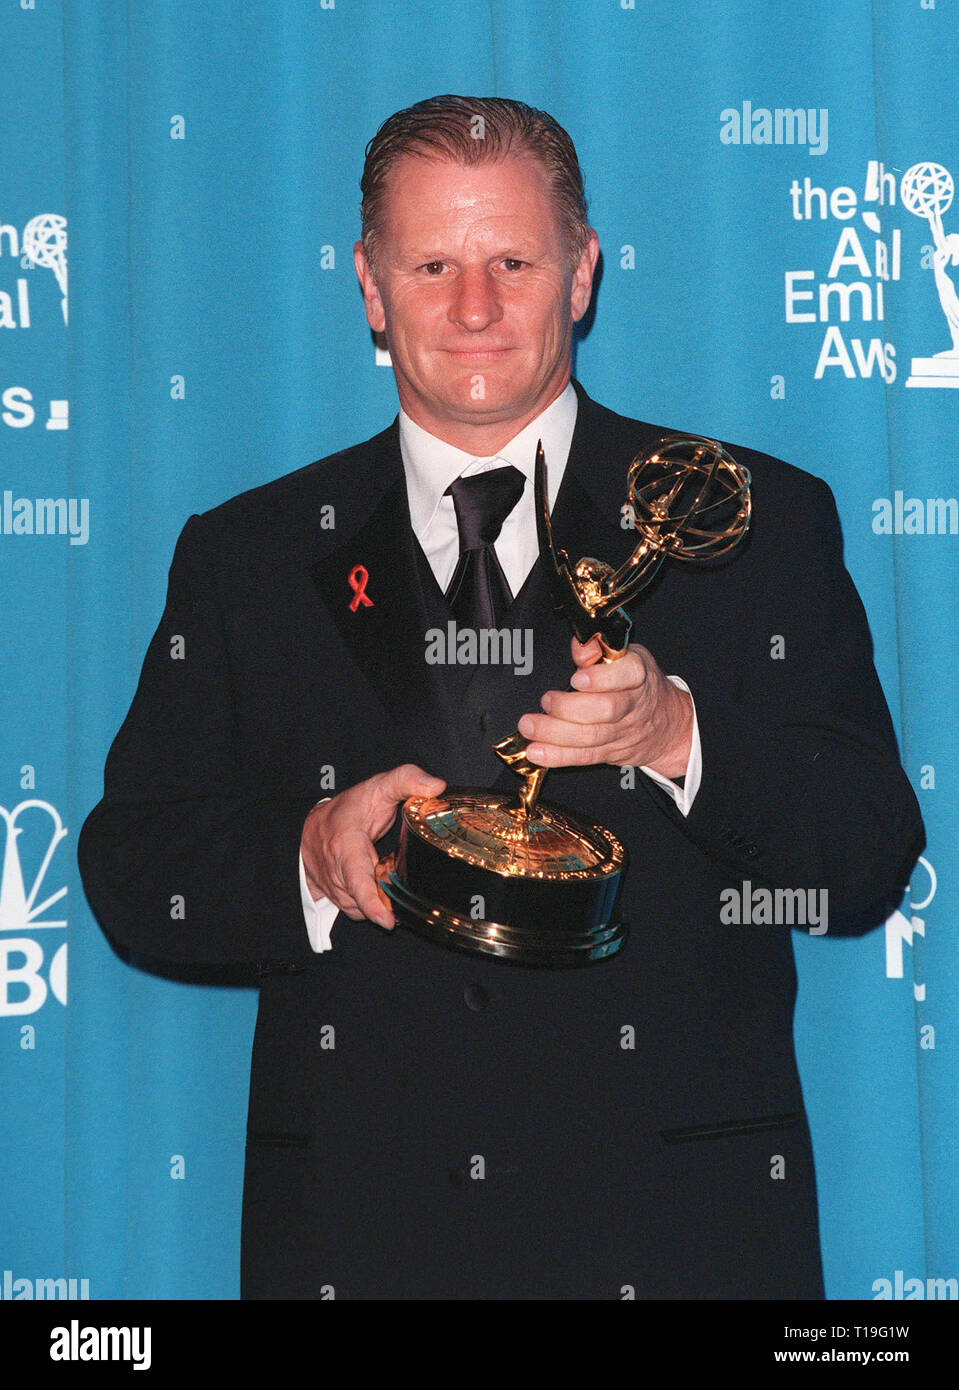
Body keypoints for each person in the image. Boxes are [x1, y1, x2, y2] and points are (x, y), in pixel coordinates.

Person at [79, 95, 924, 1300]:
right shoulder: (247, 554)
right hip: (357, 1245)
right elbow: (130, 866)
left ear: (578, 275)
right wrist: (309, 858)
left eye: (512, 261)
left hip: (675, 1243)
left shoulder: (744, 521)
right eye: (431, 265)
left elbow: (862, 858)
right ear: (369, 287)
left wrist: (678, 734)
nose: (472, 308)